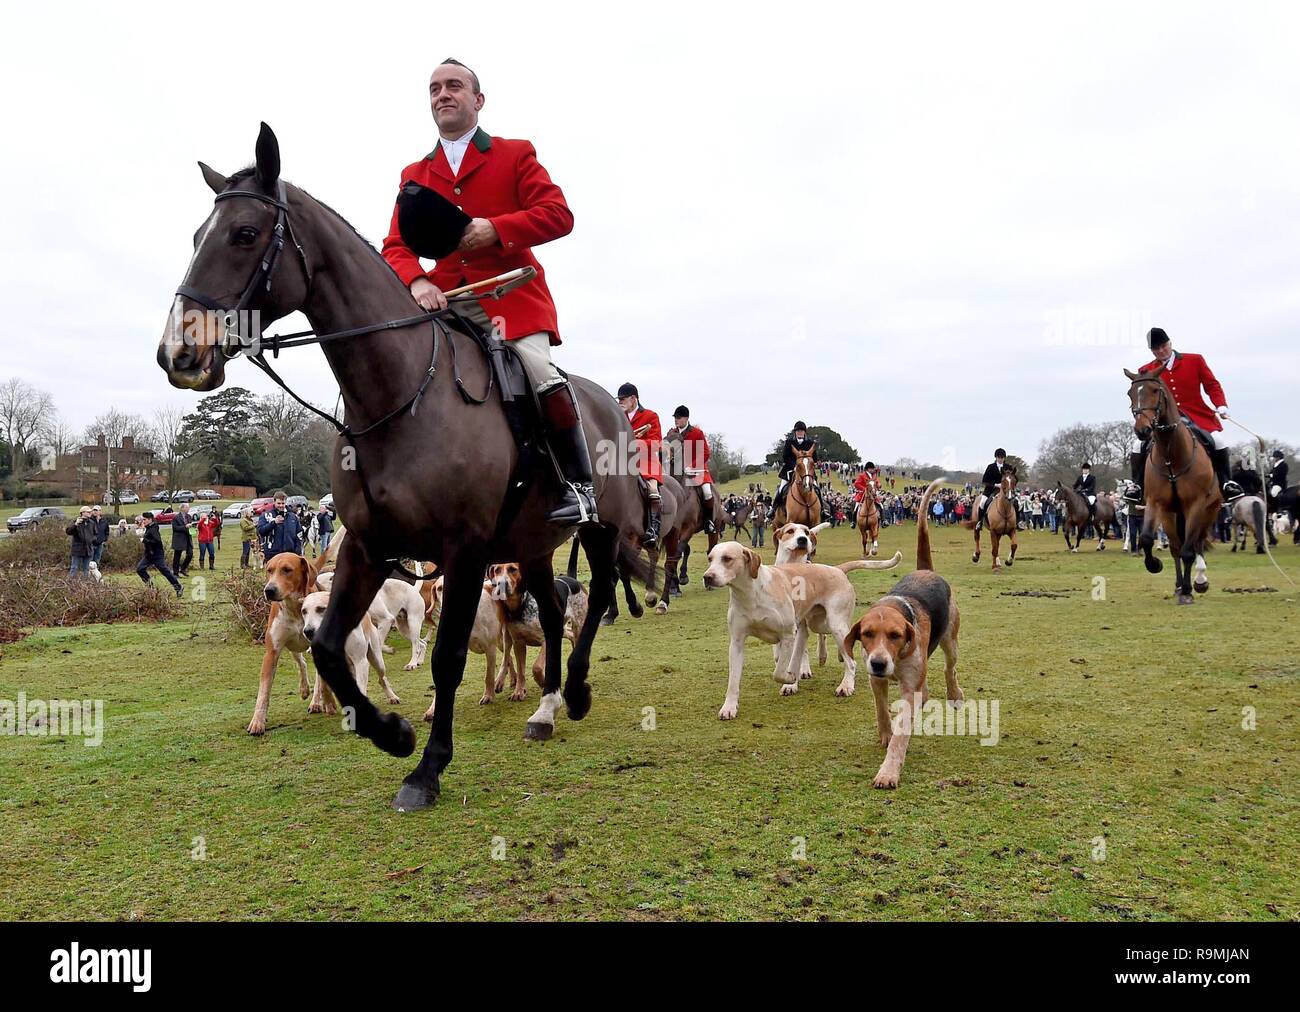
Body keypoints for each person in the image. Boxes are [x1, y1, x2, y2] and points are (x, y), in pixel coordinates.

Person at [381, 58, 596, 529]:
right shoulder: (414, 172)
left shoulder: (515, 153)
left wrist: (497, 229)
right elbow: (396, 245)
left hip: (510, 298)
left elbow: (558, 214)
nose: (443, 94)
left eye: (454, 86)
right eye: (435, 88)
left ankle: (578, 488)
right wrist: (417, 281)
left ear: (477, 100)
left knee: (538, 369)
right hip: (444, 301)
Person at [1125, 327, 1243, 504]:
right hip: (1164, 421)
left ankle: (1227, 483)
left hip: (1197, 415)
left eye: (1163, 346)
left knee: (1219, 441)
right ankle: (1137, 486)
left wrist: (1221, 404)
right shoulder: (1147, 370)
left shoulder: (1194, 360)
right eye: (1156, 349)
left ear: (1170, 343)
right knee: (1137, 445)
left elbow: (1211, 385)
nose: (1161, 351)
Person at [617, 383, 663, 547]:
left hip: (646, 462)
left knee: (652, 491)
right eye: (619, 399)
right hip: (622, 462)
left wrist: (633, 444)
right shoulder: (617, 416)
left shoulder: (650, 416)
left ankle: (653, 530)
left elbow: (656, 443)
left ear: (633, 399)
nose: (620, 402)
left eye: (623, 399)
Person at [668, 406, 716, 535]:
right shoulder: (671, 433)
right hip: (676, 470)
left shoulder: (696, 433)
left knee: (707, 492)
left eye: (678, 418)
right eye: (675, 418)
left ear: (686, 418)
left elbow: (705, 453)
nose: (676, 420)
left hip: (697, 470)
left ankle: (708, 521)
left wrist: (692, 466)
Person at [136, 512, 183, 597]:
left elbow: (157, 541)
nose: (143, 521)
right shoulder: (148, 527)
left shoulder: (154, 529)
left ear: (150, 519)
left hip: (157, 554)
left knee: (165, 571)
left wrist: (144, 540)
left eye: (145, 519)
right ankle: (151, 588)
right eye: (143, 519)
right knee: (140, 569)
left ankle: (178, 587)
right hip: (148, 554)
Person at [776, 422, 817, 514]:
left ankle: (823, 510)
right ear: (795, 432)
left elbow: (814, 458)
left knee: (817, 489)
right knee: (781, 489)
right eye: (798, 431)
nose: (799, 432)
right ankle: (774, 509)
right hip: (790, 470)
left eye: (801, 431)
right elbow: (785, 457)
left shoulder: (810, 443)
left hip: (806, 472)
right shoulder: (789, 442)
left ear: (804, 432)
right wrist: (795, 466)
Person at [974, 449, 1015, 531]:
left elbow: (1013, 477)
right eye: (999, 457)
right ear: (996, 457)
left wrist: (1010, 485)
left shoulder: (1008, 467)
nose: (1001, 459)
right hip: (990, 490)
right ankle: (980, 522)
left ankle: (1019, 521)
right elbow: (985, 480)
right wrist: (996, 485)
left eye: (1002, 457)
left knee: (1017, 501)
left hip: (1005, 490)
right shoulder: (991, 467)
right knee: (982, 503)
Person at [257, 491, 303, 556]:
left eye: (283, 503)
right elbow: (261, 531)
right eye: (278, 503)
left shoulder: (293, 517)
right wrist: (273, 523)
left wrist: (298, 551)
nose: (281, 505)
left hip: (290, 554)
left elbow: (299, 535)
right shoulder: (266, 515)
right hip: (272, 554)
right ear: (274, 502)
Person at [66, 506, 96, 579]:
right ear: (82, 513)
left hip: (88, 550)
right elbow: (68, 532)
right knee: (74, 568)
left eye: (90, 512)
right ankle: (71, 583)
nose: (90, 513)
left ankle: (85, 585)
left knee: (86, 569)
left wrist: (92, 541)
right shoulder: (76, 522)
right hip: (77, 550)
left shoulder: (92, 523)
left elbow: (95, 534)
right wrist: (75, 524)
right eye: (88, 512)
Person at [171, 501, 194, 576]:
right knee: (177, 556)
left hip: (188, 538)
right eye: (187, 507)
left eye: (188, 507)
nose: (188, 509)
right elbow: (175, 528)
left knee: (190, 554)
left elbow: (190, 526)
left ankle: (183, 569)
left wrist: (193, 529)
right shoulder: (176, 517)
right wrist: (185, 526)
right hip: (179, 539)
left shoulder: (189, 516)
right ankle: (175, 572)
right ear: (182, 508)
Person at [1073, 461, 1098, 526]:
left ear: (1088, 470)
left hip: (1090, 493)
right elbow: (1075, 485)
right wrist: (1074, 490)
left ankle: (1093, 515)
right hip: (1081, 493)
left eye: (1086, 469)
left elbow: (1092, 487)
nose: (1084, 470)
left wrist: (1085, 490)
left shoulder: (1092, 477)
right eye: (1084, 469)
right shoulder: (1080, 477)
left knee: (1091, 502)